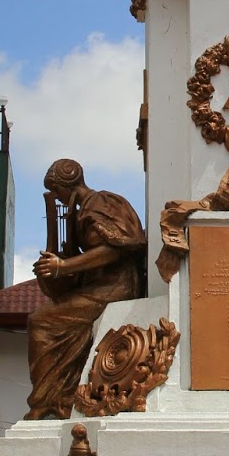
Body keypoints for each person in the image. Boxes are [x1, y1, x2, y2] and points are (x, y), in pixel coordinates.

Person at [26, 159, 146, 420]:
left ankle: (46, 400)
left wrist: (63, 266)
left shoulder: (102, 202)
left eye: (56, 191)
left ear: (68, 186)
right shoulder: (79, 212)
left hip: (116, 286)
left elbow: (116, 249)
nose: (56, 197)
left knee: (41, 321)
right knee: (47, 319)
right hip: (96, 285)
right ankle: (58, 397)